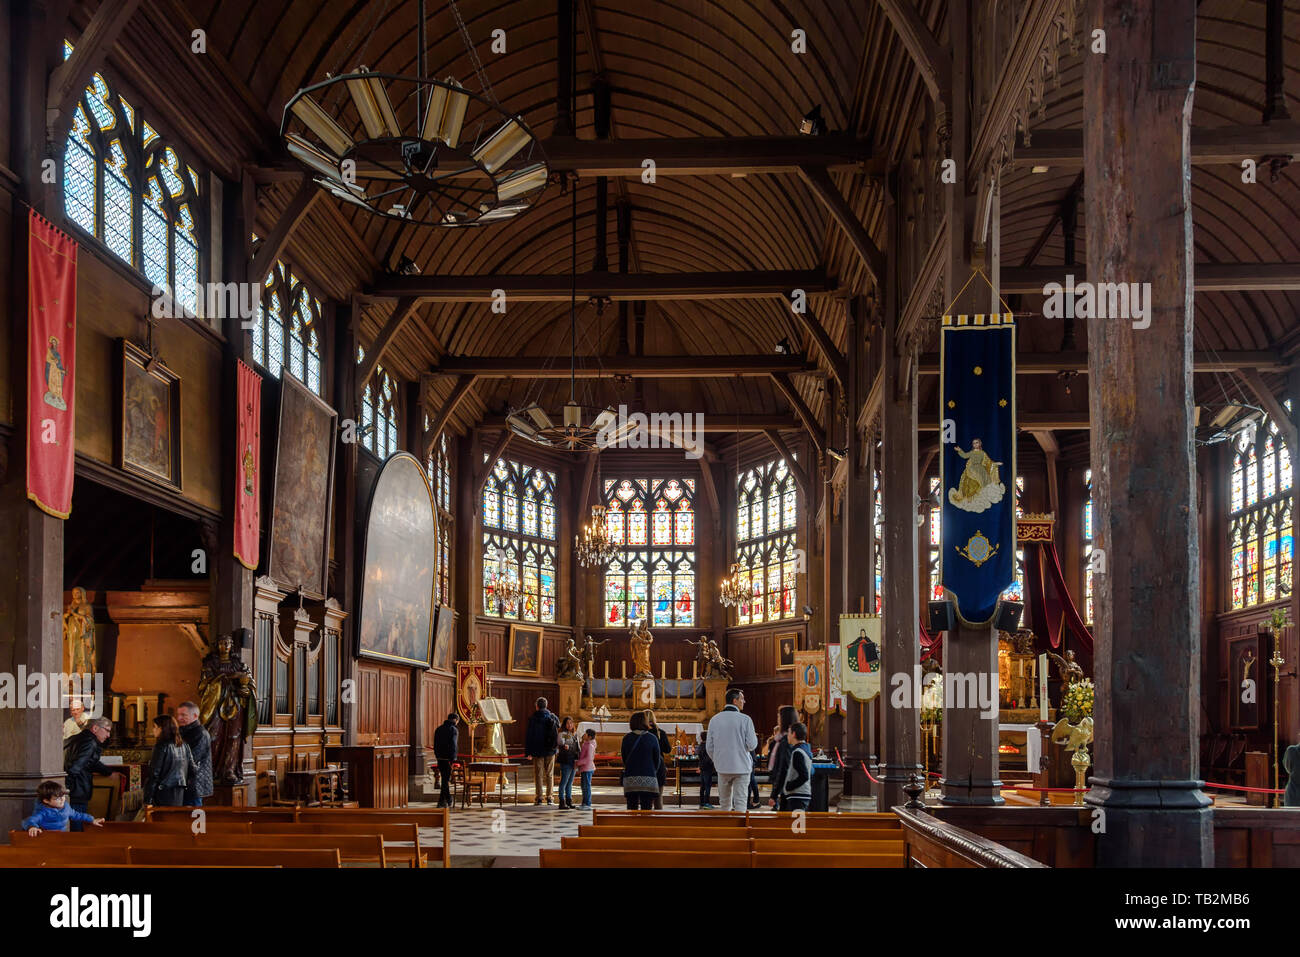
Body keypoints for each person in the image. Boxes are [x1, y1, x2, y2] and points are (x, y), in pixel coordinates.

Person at [706, 688, 757, 812]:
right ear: (735, 701)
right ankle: (739, 830)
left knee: (724, 804)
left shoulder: (714, 719)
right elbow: (752, 745)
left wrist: (718, 759)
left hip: (722, 767)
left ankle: (726, 829)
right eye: (742, 699)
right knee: (740, 803)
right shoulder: (745, 719)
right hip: (742, 767)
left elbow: (709, 747)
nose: (744, 701)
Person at [64, 716, 115, 831]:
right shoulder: (90, 742)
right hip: (77, 791)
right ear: (95, 728)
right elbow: (76, 767)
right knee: (77, 829)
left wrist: (108, 772)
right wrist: (66, 789)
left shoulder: (74, 738)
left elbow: (89, 762)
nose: (108, 735)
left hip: (71, 790)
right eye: (107, 730)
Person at [144, 714, 196, 808]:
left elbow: (154, 774)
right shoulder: (185, 745)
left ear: (162, 728)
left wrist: (148, 799)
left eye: (155, 727)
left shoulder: (161, 746)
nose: (153, 730)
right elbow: (193, 770)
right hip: (179, 792)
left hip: (162, 793)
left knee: (160, 821)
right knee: (173, 820)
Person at [21, 780, 103, 835]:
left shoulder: (66, 807)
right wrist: (32, 826)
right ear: (46, 800)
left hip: (60, 835)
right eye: (57, 798)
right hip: (45, 837)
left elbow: (77, 815)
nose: (62, 800)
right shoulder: (43, 811)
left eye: (62, 796)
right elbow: (31, 820)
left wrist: (92, 819)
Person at [620, 711, 664, 810]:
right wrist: (652, 770)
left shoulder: (627, 738)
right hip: (648, 777)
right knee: (647, 807)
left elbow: (624, 757)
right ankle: (645, 824)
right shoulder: (652, 738)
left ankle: (632, 824)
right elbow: (657, 760)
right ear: (645, 722)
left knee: (632, 807)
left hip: (631, 777)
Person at [175, 701, 213, 808]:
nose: (179, 718)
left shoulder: (200, 733)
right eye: (178, 715)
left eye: (183, 715)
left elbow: (191, 760)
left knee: (193, 821)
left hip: (194, 785)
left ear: (195, 716)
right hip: (185, 783)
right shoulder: (182, 732)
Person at [524, 696, 560, 806]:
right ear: (546, 705)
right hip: (550, 749)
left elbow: (529, 736)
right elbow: (558, 726)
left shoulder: (533, 718)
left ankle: (539, 798)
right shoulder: (552, 716)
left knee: (538, 774)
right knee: (549, 774)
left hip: (537, 750)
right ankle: (550, 797)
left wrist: (528, 752)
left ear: (536, 706)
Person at [767, 705, 799, 811]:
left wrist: (774, 794)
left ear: (785, 719)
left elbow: (784, 767)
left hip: (787, 786)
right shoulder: (782, 739)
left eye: (779, 716)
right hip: (786, 786)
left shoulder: (786, 741)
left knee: (787, 818)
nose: (777, 718)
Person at [781, 722, 814, 811]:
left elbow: (804, 776)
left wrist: (789, 786)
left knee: (797, 824)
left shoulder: (798, 752)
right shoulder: (805, 749)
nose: (788, 735)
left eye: (789, 732)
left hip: (798, 796)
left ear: (794, 734)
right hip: (801, 795)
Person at [645, 711, 673, 809]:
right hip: (659, 765)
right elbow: (668, 750)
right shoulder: (660, 732)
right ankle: (658, 819)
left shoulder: (641, 733)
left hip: (645, 766)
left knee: (646, 798)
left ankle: (644, 821)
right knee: (658, 797)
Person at [432, 712, 459, 808]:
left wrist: (437, 755)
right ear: (455, 720)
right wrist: (453, 759)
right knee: (445, 780)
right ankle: (446, 799)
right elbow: (453, 745)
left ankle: (443, 801)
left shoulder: (438, 729)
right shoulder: (453, 730)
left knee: (444, 779)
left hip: (440, 758)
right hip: (448, 759)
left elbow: (435, 744)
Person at [556, 716, 579, 810]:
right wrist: (564, 745)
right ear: (564, 725)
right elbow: (561, 743)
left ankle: (569, 801)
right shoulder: (563, 733)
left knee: (570, 782)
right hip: (566, 759)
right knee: (564, 782)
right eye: (568, 723)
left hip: (573, 760)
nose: (570, 725)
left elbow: (577, 747)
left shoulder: (574, 734)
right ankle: (562, 802)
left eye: (571, 723)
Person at [576, 729, 597, 810]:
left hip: (588, 768)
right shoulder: (586, 743)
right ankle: (584, 803)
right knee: (584, 786)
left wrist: (578, 763)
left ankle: (587, 804)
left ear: (589, 737)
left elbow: (588, 759)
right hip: (585, 768)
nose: (584, 735)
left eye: (585, 734)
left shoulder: (590, 745)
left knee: (586, 786)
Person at [698, 731, 715, 809]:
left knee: (703, 786)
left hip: (702, 767)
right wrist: (713, 762)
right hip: (707, 768)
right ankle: (707, 803)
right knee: (707, 786)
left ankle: (702, 802)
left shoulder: (700, 746)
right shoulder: (707, 746)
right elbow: (708, 759)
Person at [1285, 742, 1300, 808]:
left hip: (1293, 793)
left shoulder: (1291, 750)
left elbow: (1288, 769)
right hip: (1293, 794)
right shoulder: (1291, 750)